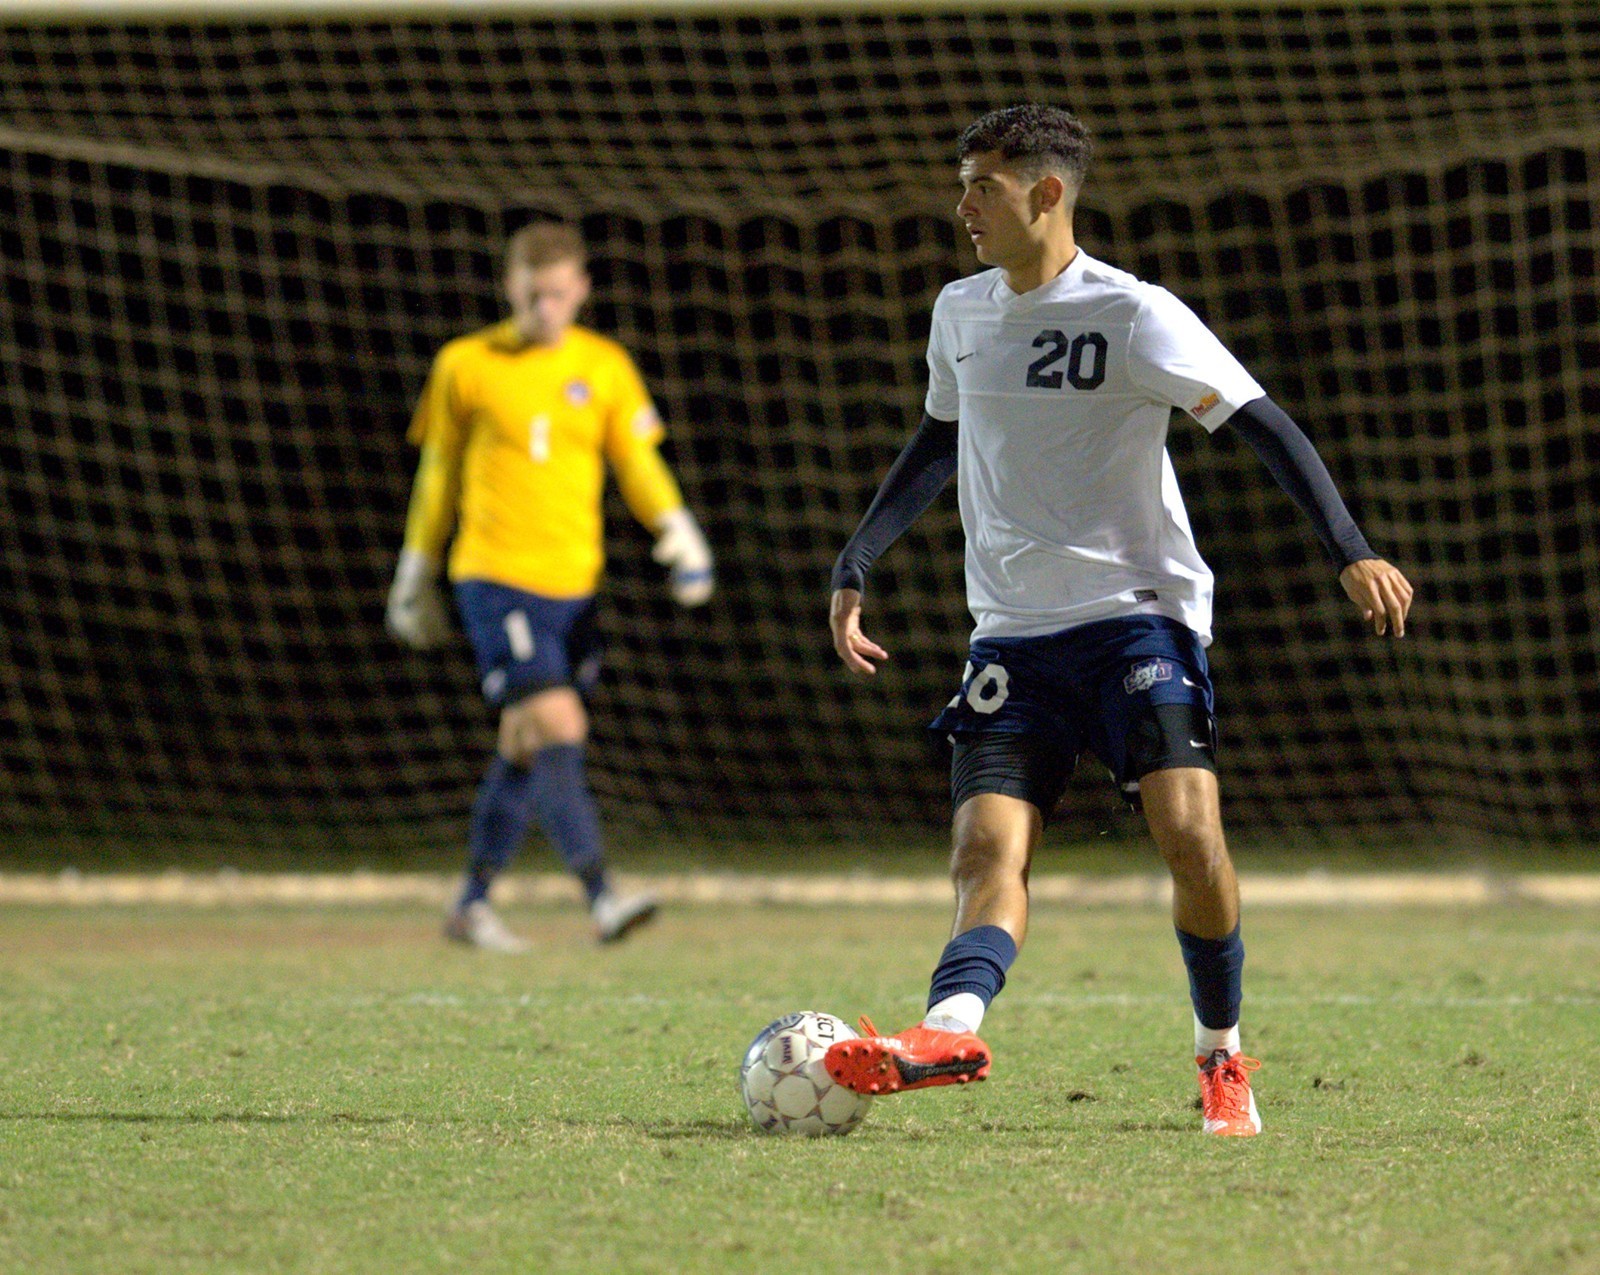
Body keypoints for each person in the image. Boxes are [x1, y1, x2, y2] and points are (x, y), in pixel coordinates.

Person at [822, 105, 1413, 1135]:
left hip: (1137, 622)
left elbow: (1263, 424)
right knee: (983, 851)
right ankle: (946, 1029)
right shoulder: (959, 311)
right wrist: (858, 556)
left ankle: (1220, 1056)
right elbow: (936, 440)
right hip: (1008, 634)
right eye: (962, 184)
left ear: (1046, 194)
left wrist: (1349, 548)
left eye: (983, 187)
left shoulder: (1134, 314)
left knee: (1187, 834)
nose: (963, 207)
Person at [385, 221, 714, 951]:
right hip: (494, 577)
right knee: (561, 723)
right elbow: (437, 475)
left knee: (525, 743)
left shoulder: (603, 366)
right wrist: (416, 567)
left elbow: (636, 461)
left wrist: (679, 532)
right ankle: (601, 897)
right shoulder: (465, 364)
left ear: (581, 291)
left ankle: (471, 903)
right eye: (533, 295)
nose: (546, 309)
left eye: (559, 295)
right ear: (511, 288)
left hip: (575, 590)